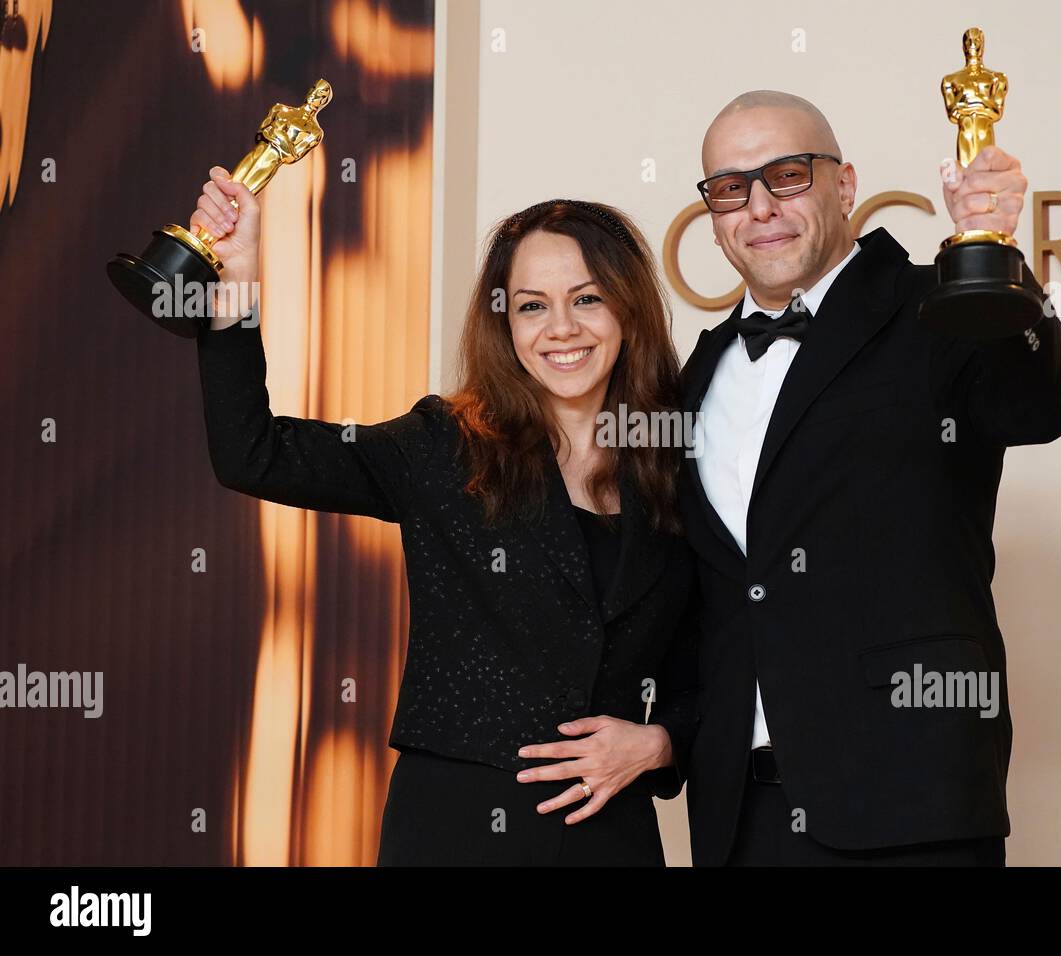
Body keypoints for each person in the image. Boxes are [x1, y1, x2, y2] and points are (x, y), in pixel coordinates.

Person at [188, 168, 699, 866]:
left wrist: (660, 741)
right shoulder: (444, 446)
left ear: (629, 309)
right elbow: (254, 455)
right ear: (504, 322)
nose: (562, 329)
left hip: (613, 831)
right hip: (453, 828)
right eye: (531, 306)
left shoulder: (684, 464)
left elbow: (724, 658)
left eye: (587, 298)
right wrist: (236, 284)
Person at [673, 90, 1061, 866]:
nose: (759, 206)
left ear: (845, 184)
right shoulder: (699, 371)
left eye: (787, 174)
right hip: (740, 819)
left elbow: (1037, 407)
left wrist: (989, 250)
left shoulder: (938, 307)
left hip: (909, 807)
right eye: (731, 188)